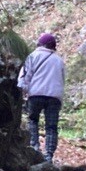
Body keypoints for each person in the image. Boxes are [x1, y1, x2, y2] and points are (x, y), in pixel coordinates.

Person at [18, 33, 66, 163]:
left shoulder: (32, 56)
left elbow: (25, 77)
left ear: (40, 44)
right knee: (51, 126)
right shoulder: (59, 60)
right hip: (54, 97)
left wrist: (23, 92)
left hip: (36, 94)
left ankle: (35, 147)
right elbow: (62, 80)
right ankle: (49, 155)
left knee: (33, 120)